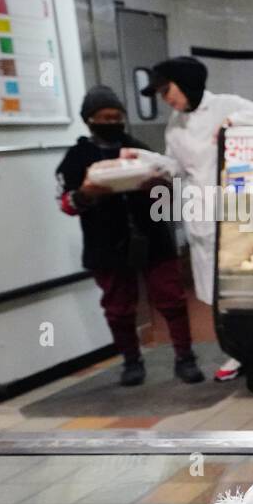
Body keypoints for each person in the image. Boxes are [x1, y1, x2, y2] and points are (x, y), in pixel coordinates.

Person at [143, 56, 253, 382]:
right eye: (162, 93)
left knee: (241, 278)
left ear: (188, 82)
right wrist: (147, 164)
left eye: (169, 90)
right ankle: (233, 351)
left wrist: (234, 121)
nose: (167, 99)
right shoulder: (175, 123)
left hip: (237, 208)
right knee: (211, 289)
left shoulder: (224, 104)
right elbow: (176, 166)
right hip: (201, 212)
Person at [56, 86, 203, 386]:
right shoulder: (76, 158)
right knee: (118, 308)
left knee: (172, 301)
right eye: (103, 117)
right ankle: (131, 362)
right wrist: (86, 194)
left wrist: (158, 190)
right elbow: (66, 204)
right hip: (106, 243)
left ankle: (185, 359)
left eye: (116, 117)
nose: (111, 122)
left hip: (154, 240)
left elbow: (168, 200)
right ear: (89, 119)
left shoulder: (139, 149)